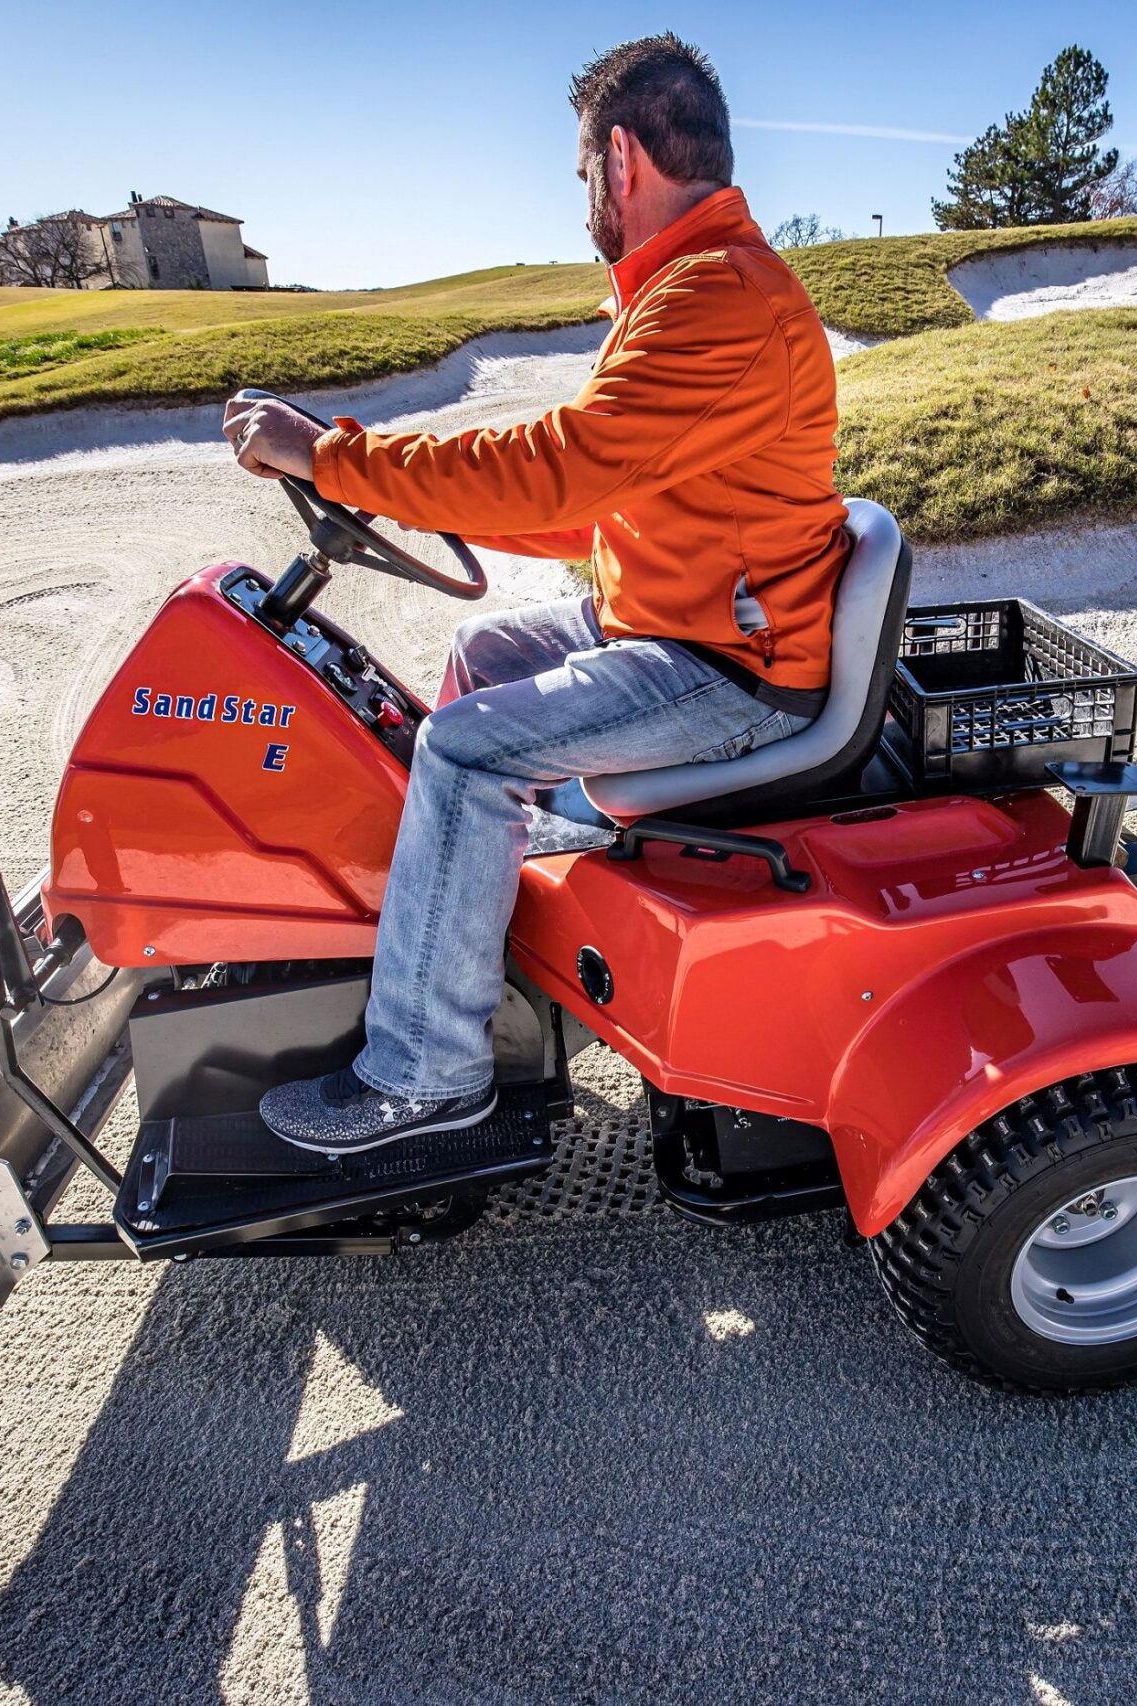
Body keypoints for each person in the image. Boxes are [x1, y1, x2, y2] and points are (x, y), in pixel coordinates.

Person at [222, 33, 849, 1155]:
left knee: (463, 749)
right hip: (677, 617)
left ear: (621, 158)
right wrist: (403, 492)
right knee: (484, 656)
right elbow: (600, 498)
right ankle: (471, 953)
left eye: (578, 177)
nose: (583, 202)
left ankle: (424, 1074)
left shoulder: (718, 297)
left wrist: (337, 458)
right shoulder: (686, 289)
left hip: (733, 668)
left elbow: (563, 464)